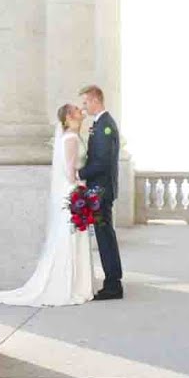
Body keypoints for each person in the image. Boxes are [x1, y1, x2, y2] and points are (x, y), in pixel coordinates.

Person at [0, 103, 94, 307]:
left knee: (72, 235)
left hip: (71, 191)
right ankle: (72, 285)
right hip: (73, 191)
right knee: (71, 236)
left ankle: (76, 283)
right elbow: (69, 171)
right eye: (76, 110)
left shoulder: (72, 137)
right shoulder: (72, 138)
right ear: (67, 118)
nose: (80, 111)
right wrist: (81, 187)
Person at [78, 84, 124, 301]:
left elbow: (102, 162)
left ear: (96, 100)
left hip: (101, 191)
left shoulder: (105, 126)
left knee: (105, 237)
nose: (84, 107)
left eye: (86, 102)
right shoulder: (101, 124)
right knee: (105, 235)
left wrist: (80, 173)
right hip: (99, 190)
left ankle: (113, 284)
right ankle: (112, 280)